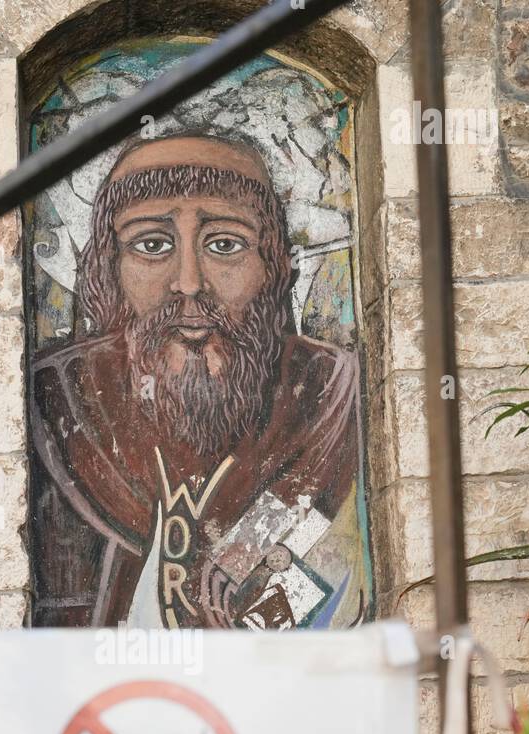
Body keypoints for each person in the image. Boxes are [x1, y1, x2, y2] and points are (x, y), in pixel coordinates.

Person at [30, 131, 368, 630]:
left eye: (225, 244)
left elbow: (332, 570)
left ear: (273, 267)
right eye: (151, 244)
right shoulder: (60, 398)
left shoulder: (327, 394)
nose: (188, 282)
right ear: (110, 269)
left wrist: (251, 586)